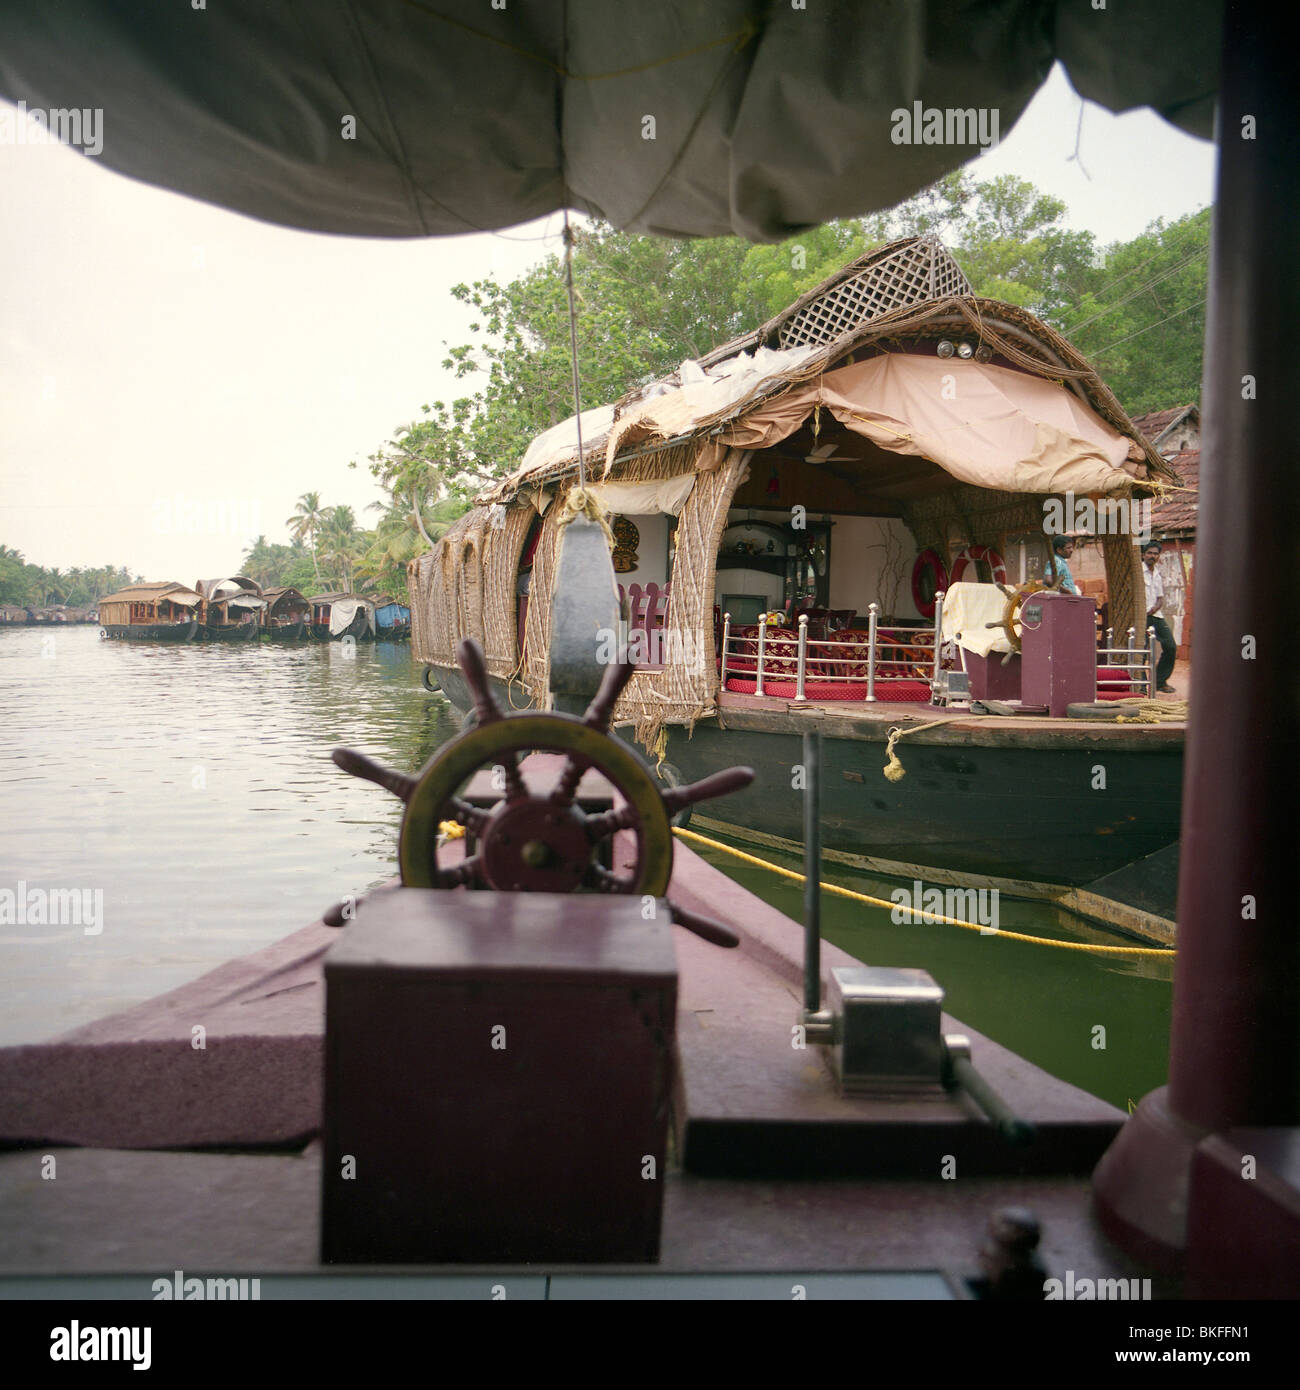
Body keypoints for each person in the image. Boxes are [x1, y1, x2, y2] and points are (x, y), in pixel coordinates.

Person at [1142, 540, 1177, 693]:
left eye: (1156, 553)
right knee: (1141, 651)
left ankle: (1159, 681)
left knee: (1170, 646)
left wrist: (1153, 610)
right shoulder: (1138, 572)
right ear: (1143, 554)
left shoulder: (1157, 573)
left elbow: (1160, 598)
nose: (1152, 556)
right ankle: (1141, 685)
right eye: (1149, 553)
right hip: (1139, 617)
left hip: (1156, 616)